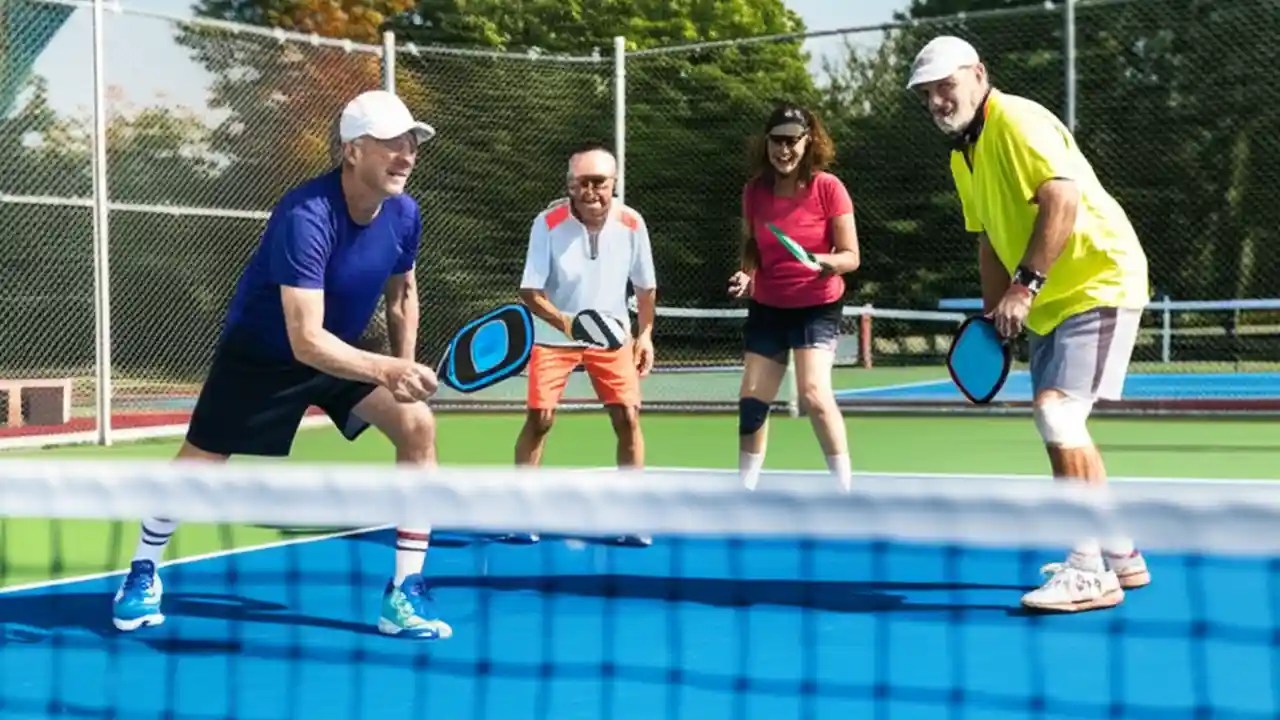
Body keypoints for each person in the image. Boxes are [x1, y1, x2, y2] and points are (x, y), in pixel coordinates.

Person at [109, 90, 452, 640]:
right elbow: (304, 338)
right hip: (264, 353)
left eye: (411, 143)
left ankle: (403, 594)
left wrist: (404, 369)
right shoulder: (305, 214)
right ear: (352, 150)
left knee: (417, 426)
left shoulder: (406, 214)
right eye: (391, 143)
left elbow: (403, 296)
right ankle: (143, 571)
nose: (406, 155)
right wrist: (387, 370)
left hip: (338, 348)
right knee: (201, 462)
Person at [906, 36, 1152, 612]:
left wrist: (1025, 287)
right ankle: (1120, 553)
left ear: (979, 73)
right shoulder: (962, 156)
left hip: (1097, 281)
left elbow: (1061, 200)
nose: (939, 100)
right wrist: (997, 319)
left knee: (1056, 410)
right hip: (1053, 302)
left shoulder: (1017, 119)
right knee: (1064, 421)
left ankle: (1089, 569)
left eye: (947, 86)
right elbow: (990, 240)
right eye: (927, 94)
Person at [510, 141, 657, 546]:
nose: (590, 192)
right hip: (554, 335)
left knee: (627, 417)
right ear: (569, 185)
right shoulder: (547, 223)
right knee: (540, 419)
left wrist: (644, 334)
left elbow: (645, 288)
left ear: (614, 183)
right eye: (581, 184)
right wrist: (566, 323)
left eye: (599, 183)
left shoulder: (632, 223)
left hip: (612, 336)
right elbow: (530, 290)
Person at [726, 103, 861, 493]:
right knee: (751, 400)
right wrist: (745, 275)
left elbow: (851, 256)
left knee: (814, 395)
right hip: (768, 306)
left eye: (791, 142)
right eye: (776, 141)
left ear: (808, 142)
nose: (783, 151)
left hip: (817, 305)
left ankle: (843, 491)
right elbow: (752, 246)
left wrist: (825, 262)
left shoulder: (828, 188)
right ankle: (744, 493)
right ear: (765, 143)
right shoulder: (754, 191)